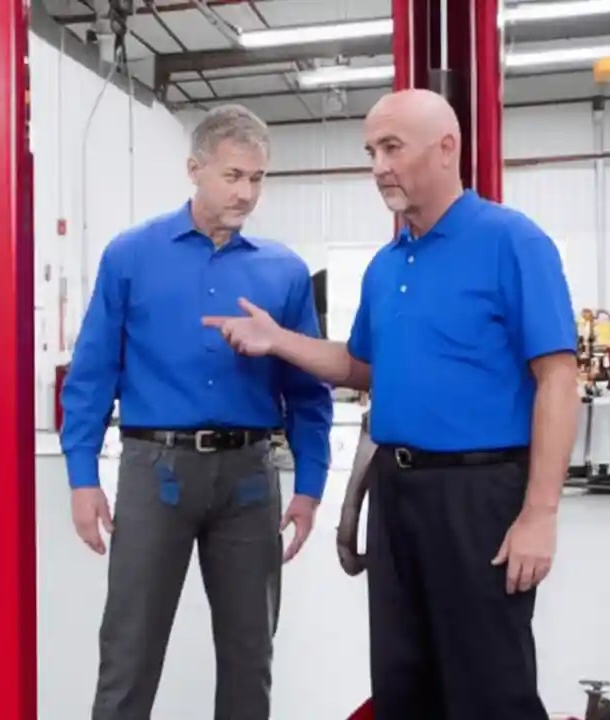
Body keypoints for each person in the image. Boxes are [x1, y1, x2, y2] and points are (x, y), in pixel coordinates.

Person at [203, 89, 579, 720]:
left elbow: (558, 379)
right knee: (403, 677)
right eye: (371, 151)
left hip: (480, 496)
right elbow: (361, 366)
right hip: (398, 495)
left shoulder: (511, 241)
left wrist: (539, 513)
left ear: (447, 147)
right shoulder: (385, 265)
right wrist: (279, 341)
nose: (378, 165)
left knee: (488, 683)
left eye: (392, 147)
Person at [59, 104, 333, 720]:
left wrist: (310, 486)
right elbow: (92, 374)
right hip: (154, 473)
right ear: (195, 169)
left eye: (258, 179)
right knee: (129, 649)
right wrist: (82, 478)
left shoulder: (283, 272)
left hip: (248, 479)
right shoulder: (130, 256)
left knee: (249, 654)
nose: (246, 193)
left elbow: (308, 389)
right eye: (233, 176)